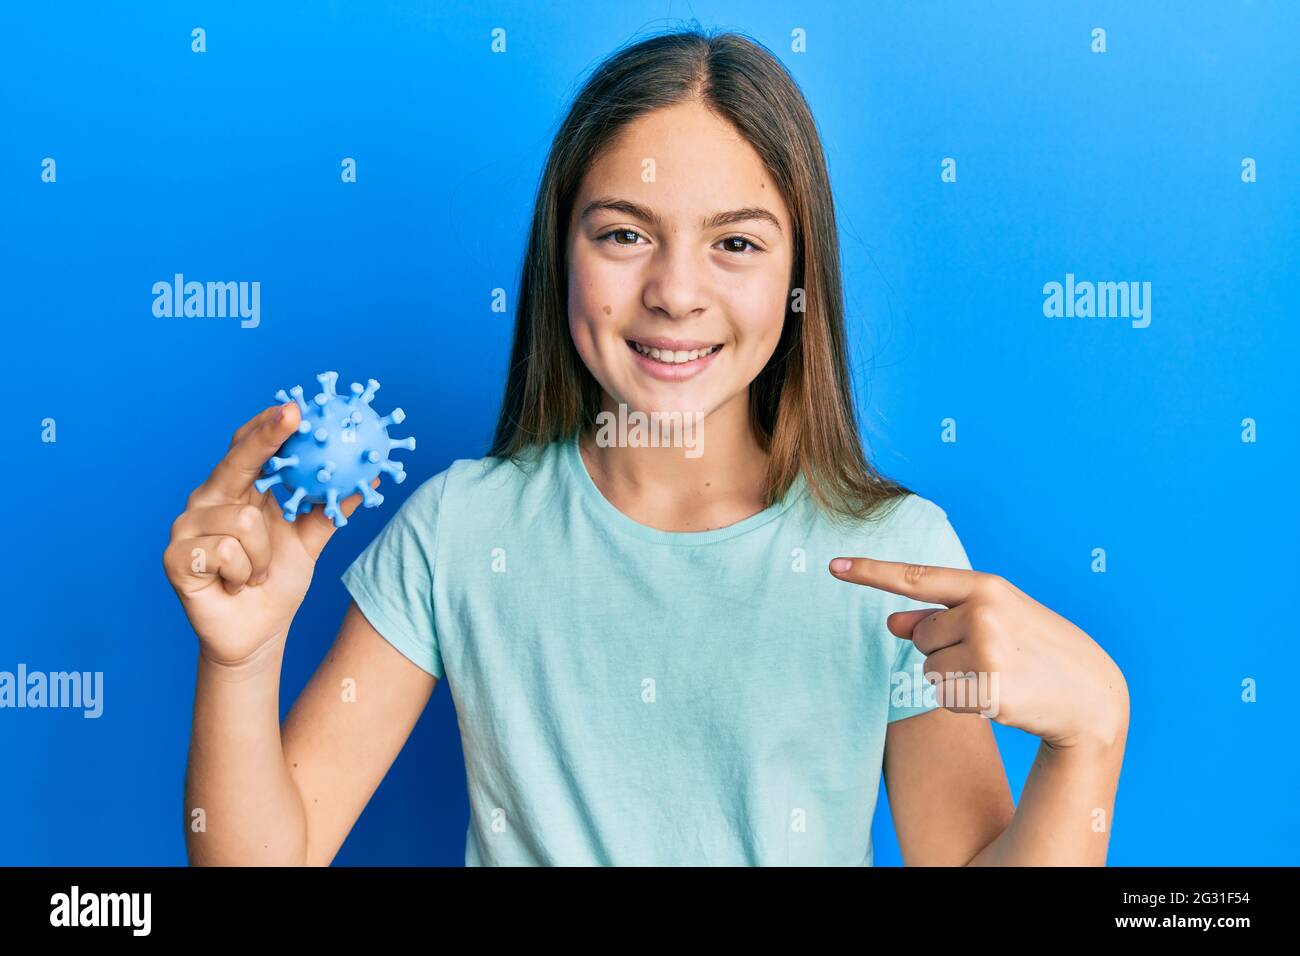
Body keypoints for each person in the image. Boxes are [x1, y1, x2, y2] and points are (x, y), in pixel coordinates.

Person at [163, 28, 1128, 866]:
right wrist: (242, 666)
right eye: (624, 234)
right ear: (561, 255)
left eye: (736, 244)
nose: (675, 290)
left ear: (801, 280)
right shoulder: (461, 530)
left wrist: (1091, 736)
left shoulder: (900, 561)